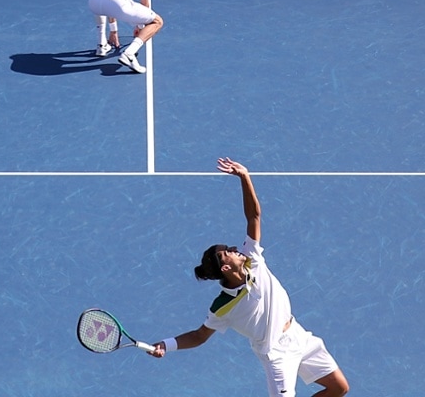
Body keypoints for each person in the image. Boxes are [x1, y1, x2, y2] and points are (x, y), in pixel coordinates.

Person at [149, 158, 350, 397]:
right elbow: (199, 336)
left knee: (338, 388)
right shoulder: (222, 307)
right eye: (228, 253)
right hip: (276, 354)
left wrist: (244, 176)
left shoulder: (251, 257)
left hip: (299, 336)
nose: (235, 250)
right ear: (224, 268)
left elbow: (253, 216)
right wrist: (166, 344)